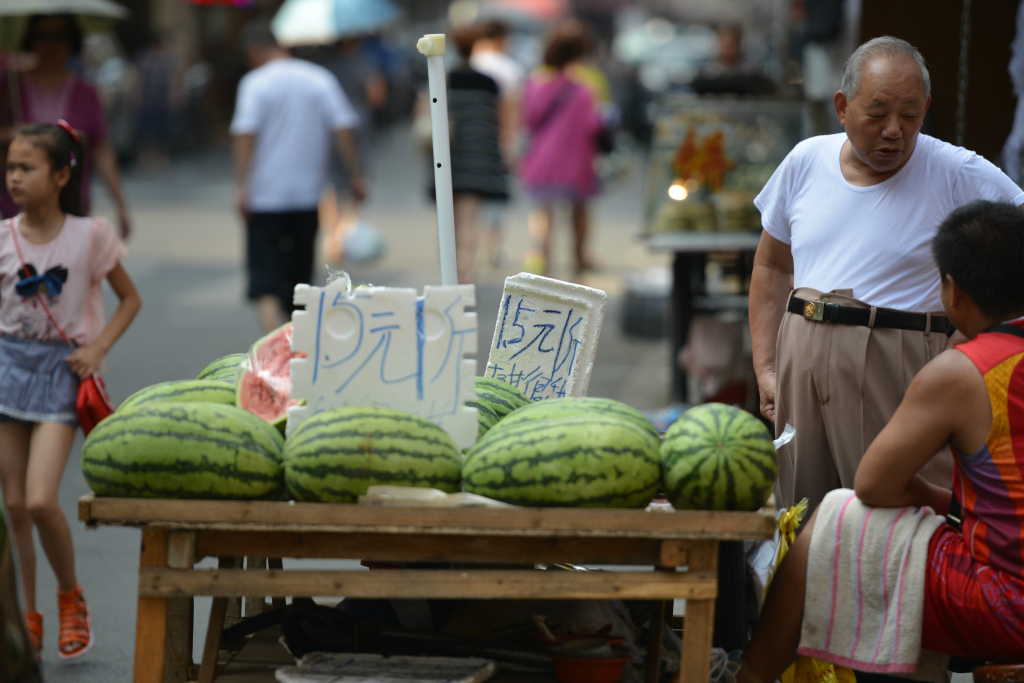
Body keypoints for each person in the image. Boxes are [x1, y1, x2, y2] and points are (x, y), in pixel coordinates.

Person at [735, 201, 1024, 683]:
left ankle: (750, 677)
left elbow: (872, 485)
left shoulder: (964, 370)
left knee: (835, 520)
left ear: (951, 293)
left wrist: (940, 504)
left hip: (1007, 604)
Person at [750, 36, 1024, 516]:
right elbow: (772, 266)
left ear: (927, 109)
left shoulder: (955, 170)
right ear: (842, 106)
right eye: (876, 114)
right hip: (801, 360)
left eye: (910, 115)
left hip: (896, 360)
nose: (894, 131)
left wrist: (979, 343)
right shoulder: (805, 160)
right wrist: (767, 366)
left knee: (892, 524)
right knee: (802, 518)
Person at [0, 122, 140, 659]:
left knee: (39, 500)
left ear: (61, 175)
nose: (14, 177)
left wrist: (98, 347)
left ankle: (69, 595)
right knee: (12, 505)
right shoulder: (4, 236)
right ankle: (26, 616)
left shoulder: (91, 235)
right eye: (10, 166)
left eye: (26, 167)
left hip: (62, 374)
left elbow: (130, 299)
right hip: (9, 369)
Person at [231, 21, 365, 333]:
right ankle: (291, 337)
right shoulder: (318, 79)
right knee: (299, 276)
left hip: (264, 195)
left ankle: (270, 340)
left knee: (263, 274)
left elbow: (244, 135)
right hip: (308, 194)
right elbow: (344, 127)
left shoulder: (254, 83)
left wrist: (241, 185)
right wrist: (355, 174)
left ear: (254, 51)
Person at [0, 14, 131, 238]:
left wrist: (120, 205)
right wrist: (13, 133)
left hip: (72, 204)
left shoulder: (87, 92)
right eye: (43, 35)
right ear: (31, 38)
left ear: (72, 41)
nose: (50, 44)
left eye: (59, 36)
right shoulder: (9, 86)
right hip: (18, 208)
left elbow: (102, 149)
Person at [519, 19, 606, 277]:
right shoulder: (587, 87)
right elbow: (594, 125)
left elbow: (530, 120)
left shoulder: (536, 82)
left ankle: (544, 261)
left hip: (544, 159)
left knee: (544, 213)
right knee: (579, 213)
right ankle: (577, 264)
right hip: (578, 161)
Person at [432, 26, 508, 285]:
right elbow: (499, 120)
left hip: (447, 153)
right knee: (469, 219)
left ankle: (449, 274)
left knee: (446, 218)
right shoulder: (489, 83)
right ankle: (466, 274)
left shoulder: (442, 79)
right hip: (478, 156)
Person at [469, 20, 524, 266]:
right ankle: (493, 245)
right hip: (493, 139)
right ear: (500, 37)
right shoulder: (509, 69)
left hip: (464, 141)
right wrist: (509, 145)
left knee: (467, 197)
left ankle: (467, 245)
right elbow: (510, 112)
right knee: (493, 197)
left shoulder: (467, 61)